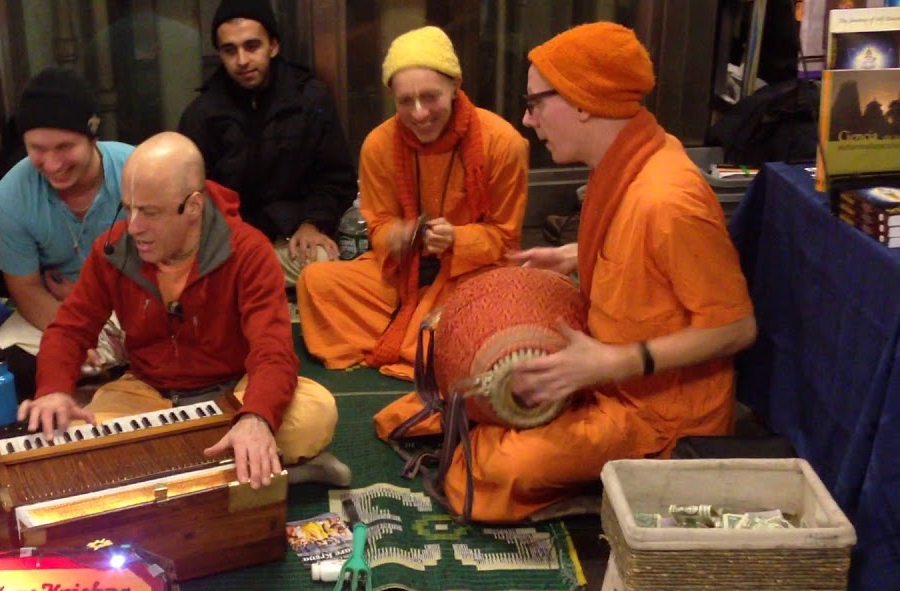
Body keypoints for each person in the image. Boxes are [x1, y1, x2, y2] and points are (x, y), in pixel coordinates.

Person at [445, 22, 757, 521]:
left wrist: (608, 364)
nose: (527, 120)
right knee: (484, 394)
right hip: (606, 370)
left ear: (583, 100)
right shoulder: (624, 162)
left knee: (497, 468)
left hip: (659, 414)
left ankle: (624, 485)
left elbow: (735, 328)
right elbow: (645, 258)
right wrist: (574, 254)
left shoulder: (669, 198)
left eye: (535, 103)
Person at [18, 132, 347, 489]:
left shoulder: (248, 250)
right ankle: (266, 471)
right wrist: (53, 389)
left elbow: (273, 350)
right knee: (77, 438)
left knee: (315, 411)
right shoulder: (112, 249)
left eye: (151, 212)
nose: (135, 227)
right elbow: (69, 329)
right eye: (129, 208)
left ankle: (181, 467)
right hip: (148, 393)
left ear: (193, 207)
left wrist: (256, 416)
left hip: (234, 391)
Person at [297, 26, 529, 380]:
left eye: (430, 97)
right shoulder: (379, 144)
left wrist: (458, 239)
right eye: (406, 101)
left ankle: (426, 335)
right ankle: (423, 337)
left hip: (470, 274)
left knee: (482, 317)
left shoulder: (502, 143)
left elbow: (506, 239)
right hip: (404, 272)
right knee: (317, 282)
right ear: (393, 97)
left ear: (455, 85)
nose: (419, 113)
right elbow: (377, 226)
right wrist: (396, 236)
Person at [178, 0, 357, 286]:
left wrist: (314, 223)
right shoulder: (202, 114)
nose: (242, 60)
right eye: (229, 50)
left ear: (273, 46)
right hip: (233, 243)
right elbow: (193, 196)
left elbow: (336, 178)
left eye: (252, 46)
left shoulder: (310, 99)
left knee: (324, 269)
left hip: (296, 237)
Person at [0, 68, 134, 397]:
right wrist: (74, 333)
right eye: (37, 148)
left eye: (65, 147)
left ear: (92, 137)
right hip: (63, 312)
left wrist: (97, 300)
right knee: (8, 363)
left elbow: (175, 267)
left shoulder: (138, 170)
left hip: (139, 301)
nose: (52, 164)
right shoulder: (11, 195)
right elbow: (25, 288)